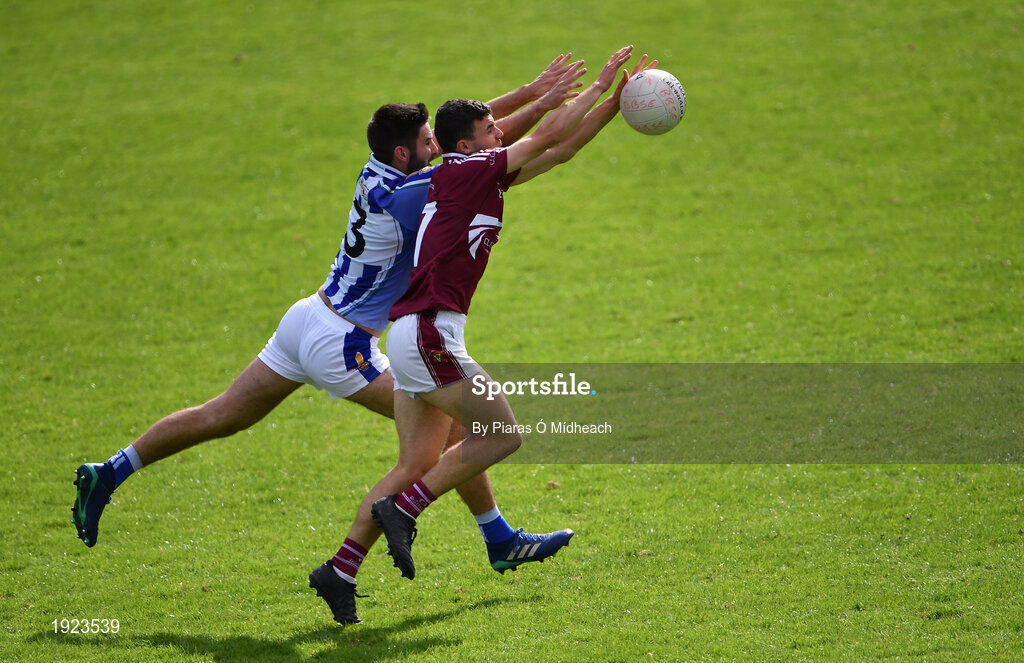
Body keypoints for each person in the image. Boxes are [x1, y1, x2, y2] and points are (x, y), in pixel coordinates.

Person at [71, 55, 585, 620]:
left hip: (307, 317)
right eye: (424, 141)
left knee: (222, 413)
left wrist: (530, 94)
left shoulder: (379, 171)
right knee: (437, 443)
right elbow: (479, 154)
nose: (434, 145)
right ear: (404, 154)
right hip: (344, 343)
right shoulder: (419, 192)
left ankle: (110, 471)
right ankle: (446, 548)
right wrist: (540, 105)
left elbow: (462, 139)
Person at [367, 46, 655, 582]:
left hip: (422, 332)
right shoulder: (465, 169)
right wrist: (597, 86)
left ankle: (362, 559)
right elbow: (543, 135)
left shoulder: (478, 177)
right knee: (501, 434)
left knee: (459, 442)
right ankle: (403, 508)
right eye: (491, 129)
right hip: (429, 330)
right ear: (465, 145)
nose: (502, 134)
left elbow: (559, 150)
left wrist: (614, 105)